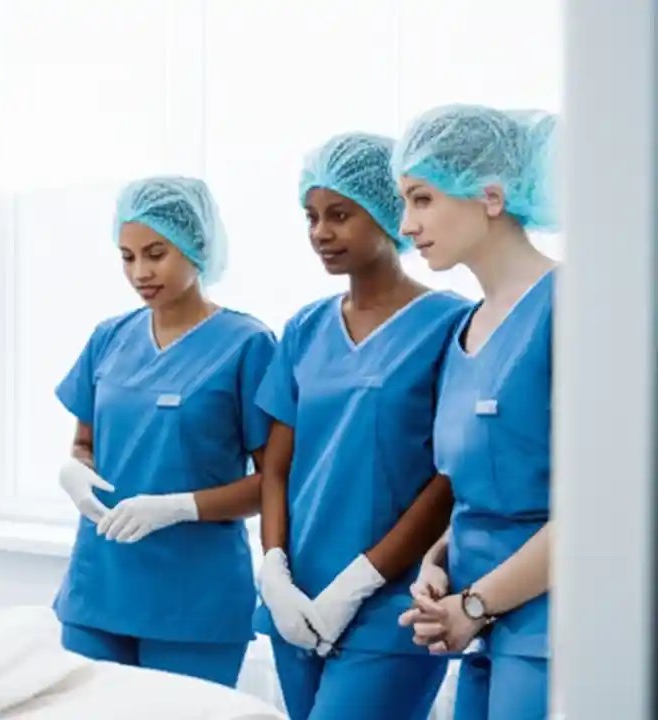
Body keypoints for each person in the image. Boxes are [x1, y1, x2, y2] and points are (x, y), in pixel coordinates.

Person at [254, 133, 472, 719]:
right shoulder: (304, 327)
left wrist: (358, 581)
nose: (320, 232)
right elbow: (275, 466)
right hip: (298, 599)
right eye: (312, 217)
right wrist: (274, 572)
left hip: (395, 603)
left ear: (387, 213)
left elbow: (450, 479)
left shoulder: (450, 324)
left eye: (340, 215)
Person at [53, 175, 276, 688]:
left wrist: (178, 507)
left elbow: (274, 482)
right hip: (99, 585)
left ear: (196, 244)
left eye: (156, 253)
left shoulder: (247, 344)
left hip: (192, 597)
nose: (140, 272)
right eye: (127, 256)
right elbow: (84, 441)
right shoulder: (109, 337)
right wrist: (75, 469)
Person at [393, 104, 559, 720]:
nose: (406, 223)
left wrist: (473, 606)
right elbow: (482, 491)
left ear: (491, 196)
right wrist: (438, 565)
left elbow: (598, 511)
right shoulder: (465, 328)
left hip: (552, 630)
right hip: (482, 626)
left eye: (422, 198)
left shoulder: (570, 305)